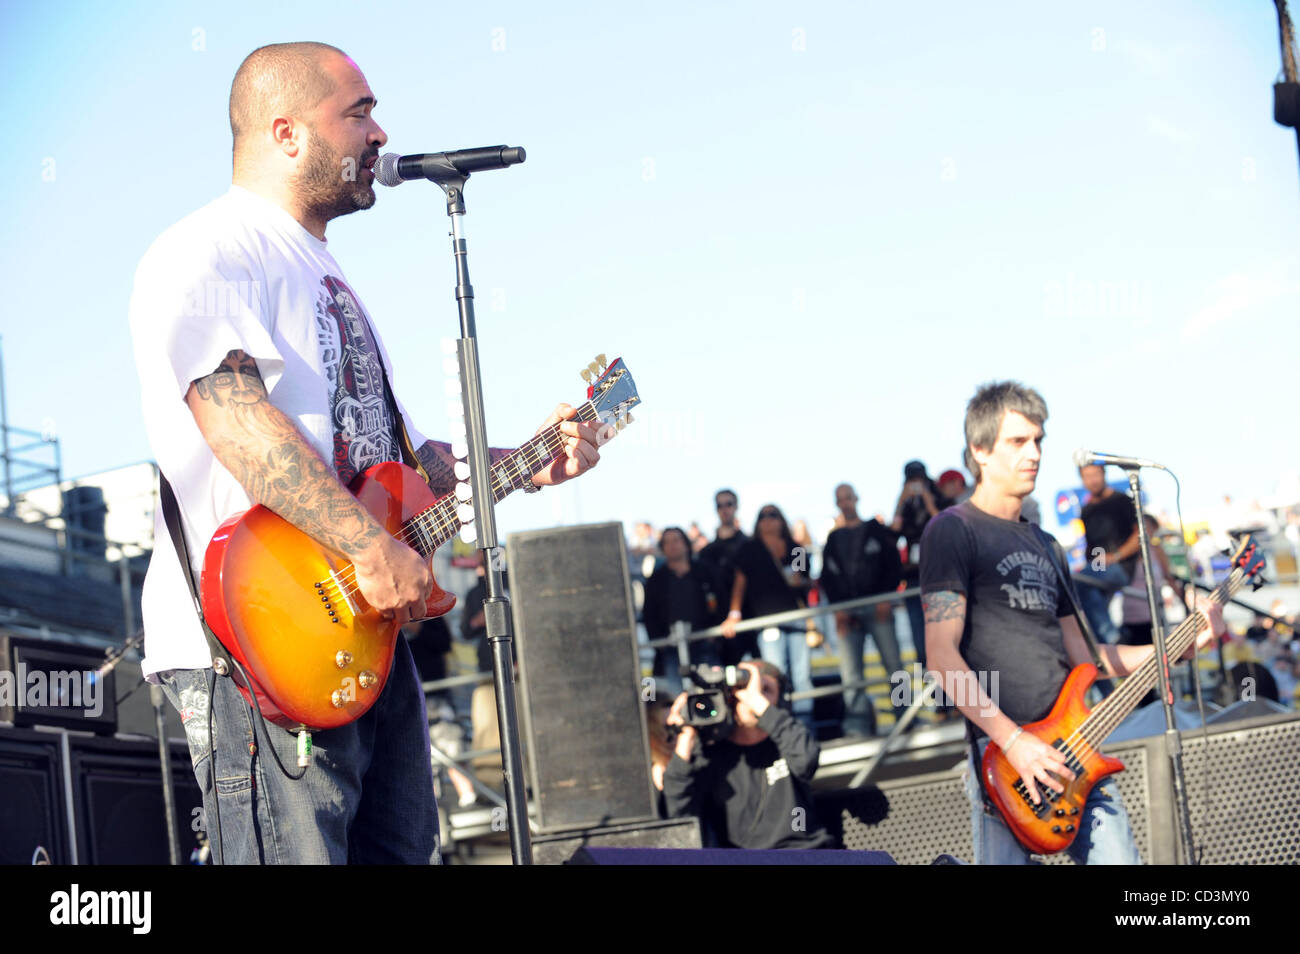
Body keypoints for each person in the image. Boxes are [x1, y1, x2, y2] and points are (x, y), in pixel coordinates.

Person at [128, 42, 608, 864]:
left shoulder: (326, 272)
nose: (381, 134)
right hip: (262, 639)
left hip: (367, 640)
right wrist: (363, 545)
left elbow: (400, 465)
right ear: (285, 132)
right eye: (358, 113)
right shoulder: (208, 249)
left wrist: (529, 461)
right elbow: (235, 419)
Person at [920, 381, 1223, 864]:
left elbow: (1089, 660)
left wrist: (1176, 645)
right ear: (980, 450)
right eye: (1018, 441)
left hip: (1079, 748)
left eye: (1038, 440)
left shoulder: (1048, 546)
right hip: (1006, 761)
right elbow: (941, 657)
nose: (1034, 453)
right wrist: (1013, 741)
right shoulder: (952, 530)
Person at [662, 660, 833, 849]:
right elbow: (680, 817)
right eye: (743, 688)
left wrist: (759, 704)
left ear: (780, 701)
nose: (752, 694)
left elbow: (806, 761)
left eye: (765, 690)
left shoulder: (788, 739)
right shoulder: (710, 755)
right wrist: (685, 737)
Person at [819, 483, 904, 735]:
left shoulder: (875, 530)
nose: (845, 503)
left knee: (894, 665)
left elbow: (893, 564)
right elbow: (827, 577)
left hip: (877, 605)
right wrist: (838, 609)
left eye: (848, 498)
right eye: (841, 499)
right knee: (851, 674)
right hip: (848, 611)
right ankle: (857, 726)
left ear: (856, 499)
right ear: (837, 504)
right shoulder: (833, 539)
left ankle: (905, 716)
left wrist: (885, 597)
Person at [720, 505, 816, 728]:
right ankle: (781, 727)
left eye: (773, 515)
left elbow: (804, 578)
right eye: (763, 516)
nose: (768, 520)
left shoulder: (794, 548)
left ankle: (805, 726)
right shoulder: (750, 549)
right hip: (767, 621)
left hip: (795, 618)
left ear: (781, 520)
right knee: (774, 676)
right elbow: (740, 583)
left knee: (802, 675)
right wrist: (734, 613)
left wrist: (799, 581)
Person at [641, 526, 725, 696]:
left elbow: (721, 601)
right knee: (677, 697)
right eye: (667, 542)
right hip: (671, 649)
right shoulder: (656, 580)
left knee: (715, 693)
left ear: (686, 544)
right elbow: (649, 614)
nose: (673, 545)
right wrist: (660, 643)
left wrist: (715, 633)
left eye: (676, 540)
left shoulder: (704, 572)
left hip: (704, 644)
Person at [892, 460, 947, 667]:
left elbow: (945, 526)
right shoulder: (906, 505)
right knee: (919, 638)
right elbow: (893, 533)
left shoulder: (939, 498)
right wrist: (900, 502)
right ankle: (929, 677)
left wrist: (928, 500)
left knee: (944, 635)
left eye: (919, 480)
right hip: (914, 577)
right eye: (912, 481)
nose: (916, 484)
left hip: (940, 575)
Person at [1076, 462, 1140, 644]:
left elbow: (1139, 537)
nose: (1092, 481)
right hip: (1098, 568)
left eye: (1095, 475)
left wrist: (1116, 556)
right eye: (1087, 477)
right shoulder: (1086, 510)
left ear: (1104, 474)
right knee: (1082, 589)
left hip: (1120, 567)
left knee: (1081, 582)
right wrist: (1090, 565)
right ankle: (1106, 647)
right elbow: (1092, 546)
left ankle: (1113, 639)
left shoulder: (1122, 501)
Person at [699, 489, 753, 665]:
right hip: (720, 626)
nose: (724, 509)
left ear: (736, 507)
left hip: (752, 621)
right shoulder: (707, 553)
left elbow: (798, 551)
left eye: (728, 504)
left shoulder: (750, 545)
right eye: (720, 505)